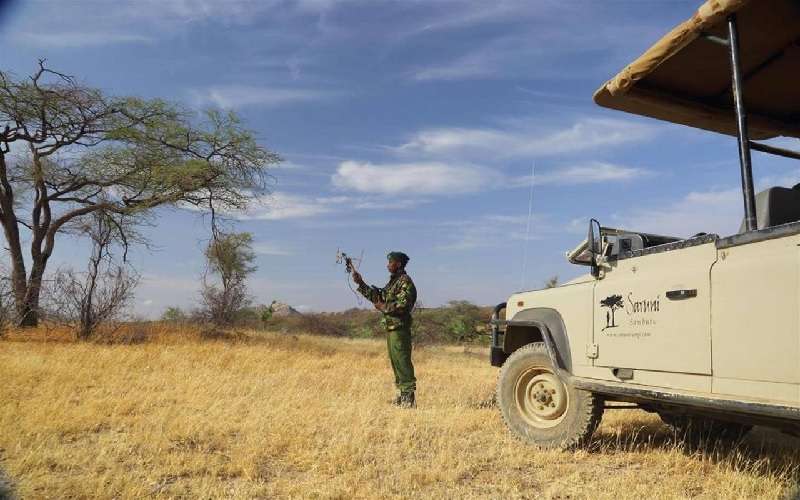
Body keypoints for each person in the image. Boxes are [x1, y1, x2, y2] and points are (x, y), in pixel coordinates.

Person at [351, 251, 417, 408]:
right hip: (392, 327)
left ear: (398, 264)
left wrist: (383, 307)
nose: (388, 265)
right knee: (396, 362)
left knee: (402, 361)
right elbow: (378, 297)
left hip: (400, 328)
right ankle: (403, 396)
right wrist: (361, 283)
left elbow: (403, 305)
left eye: (391, 262)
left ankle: (409, 399)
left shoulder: (405, 282)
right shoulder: (393, 282)